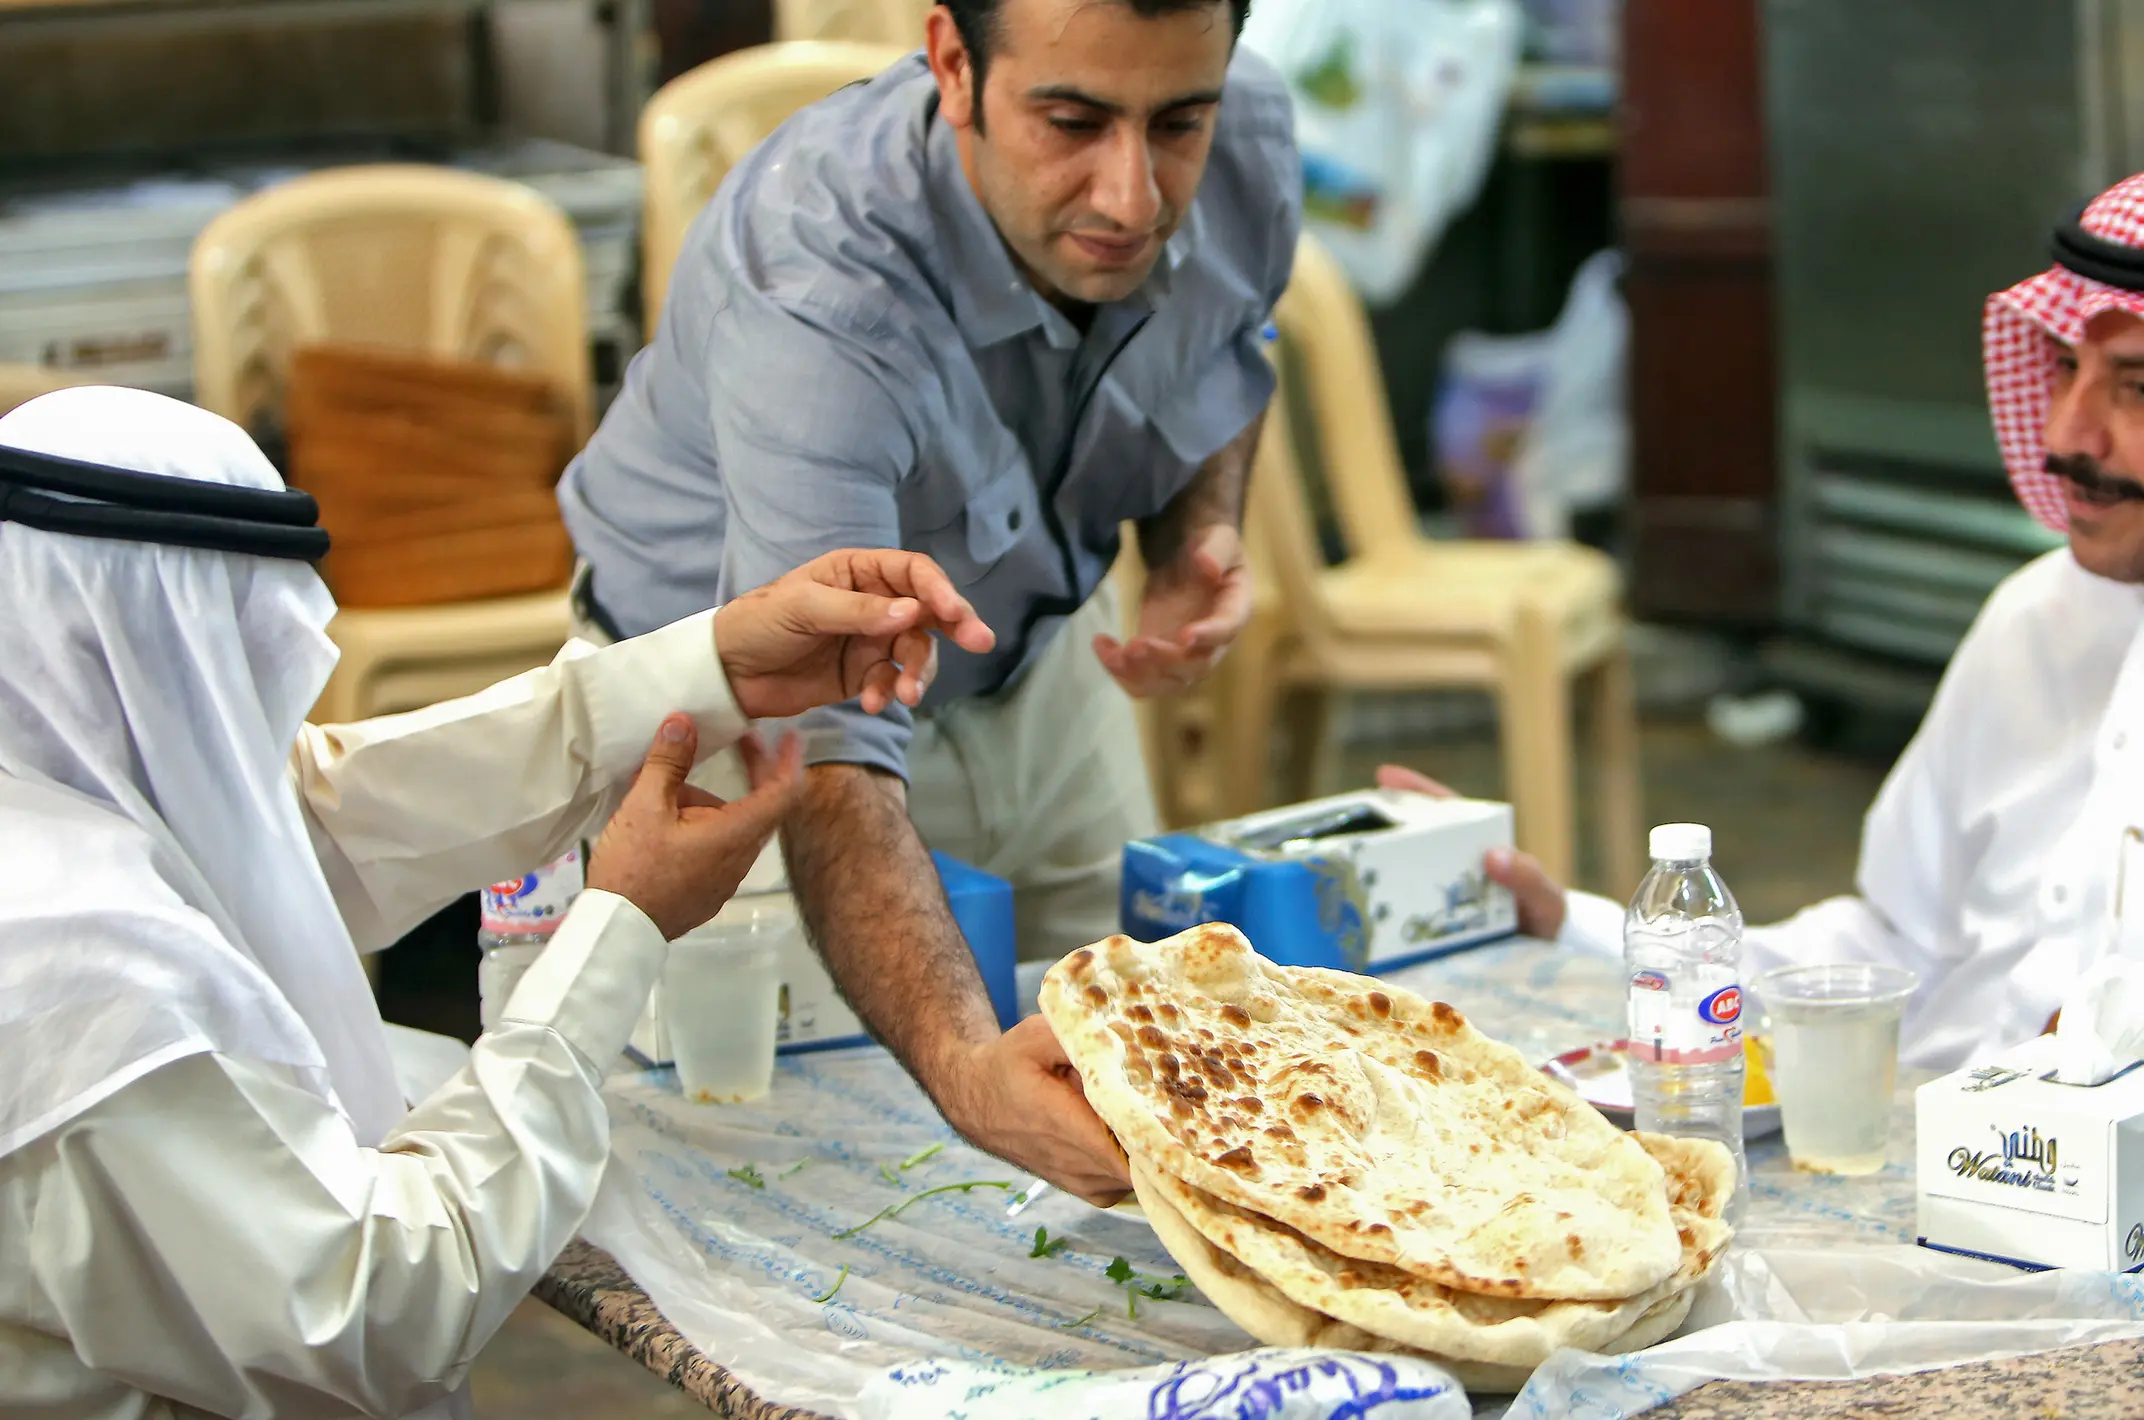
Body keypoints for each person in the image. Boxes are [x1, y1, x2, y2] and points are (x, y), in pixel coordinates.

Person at [1390, 161, 2144, 1228]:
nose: (2067, 437)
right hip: (1908, 1209)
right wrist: (1565, 923)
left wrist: (2141, 1027)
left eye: (2137, 388)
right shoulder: (2038, 614)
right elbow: (1889, 949)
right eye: (2063, 371)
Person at [0, 385, 1054, 1419]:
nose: (268, 705)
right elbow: (376, 1312)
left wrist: (715, 666)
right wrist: (620, 924)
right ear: (149, 654)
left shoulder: (53, 781)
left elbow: (307, 814)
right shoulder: (76, 975)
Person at [556, 0, 1295, 1201]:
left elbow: (1222, 346)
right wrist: (958, 1065)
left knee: (1135, 1128)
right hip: (734, 739)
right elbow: (826, 747)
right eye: (1070, 122)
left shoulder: (1249, 126)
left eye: (1176, 123)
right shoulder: (818, 289)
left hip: (1045, 666)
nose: (1132, 200)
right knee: (801, 1209)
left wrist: (1194, 527)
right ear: (952, 62)